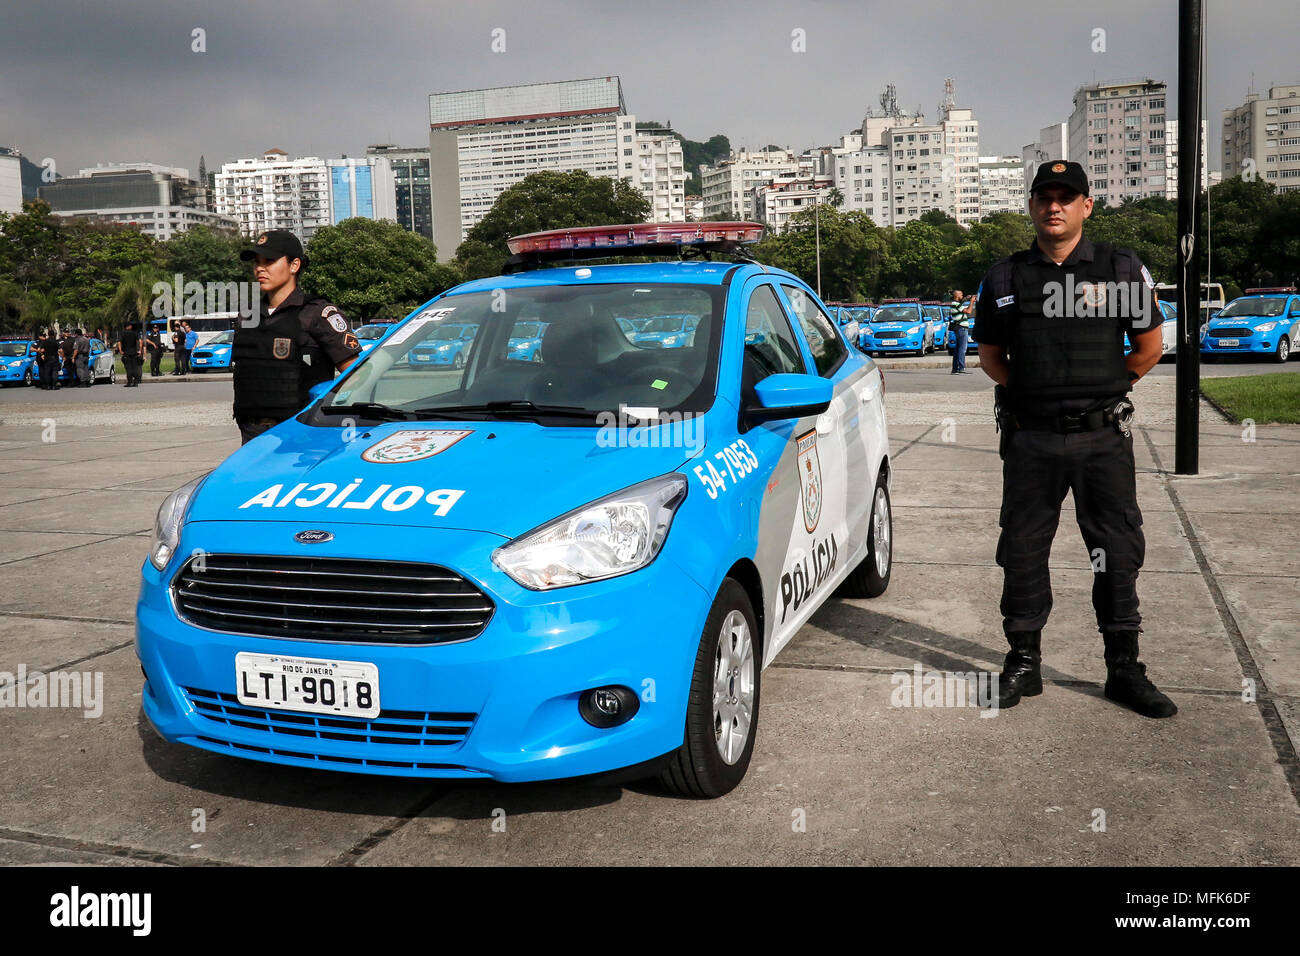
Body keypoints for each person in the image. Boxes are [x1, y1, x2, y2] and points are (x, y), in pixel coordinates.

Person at [974, 159, 1174, 719]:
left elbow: (1149, 347)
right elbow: (991, 357)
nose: (1054, 206)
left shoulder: (1119, 268)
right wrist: (1036, 395)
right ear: (1032, 206)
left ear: (1087, 206)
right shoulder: (1005, 277)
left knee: (1115, 552)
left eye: (1067, 197)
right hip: (1031, 441)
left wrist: (1104, 392)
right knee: (1023, 549)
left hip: (1101, 441)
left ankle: (1124, 668)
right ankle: (1023, 662)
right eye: (1045, 196)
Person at [232, 230, 360, 444]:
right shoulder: (248, 315)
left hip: (302, 434)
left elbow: (356, 374)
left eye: (269, 261)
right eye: (257, 262)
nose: (260, 268)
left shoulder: (317, 313)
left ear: (294, 265)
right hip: (252, 435)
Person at [948, 289, 973, 374]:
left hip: (959, 328)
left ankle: (955, 369)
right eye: (961, 295)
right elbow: (969, 311)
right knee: (962, 349)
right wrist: (972, 302)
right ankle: (961, 368)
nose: (962, 296)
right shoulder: (956, 304)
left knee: (958, 349)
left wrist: (967, 298)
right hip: (961, 328)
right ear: (957, 296)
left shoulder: (955, 304)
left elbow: (961, 303)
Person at [118, 320, 144, 387]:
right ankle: (135, 382)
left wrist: (120, 350)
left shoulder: (122, 333)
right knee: (134, 367)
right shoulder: (134, 333)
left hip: (126, 353)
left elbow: (119, 342)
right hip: (134, 353)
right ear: (129, 326)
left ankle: (129, 382)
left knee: (128, 368)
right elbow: (140, 341)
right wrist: (140, 350)